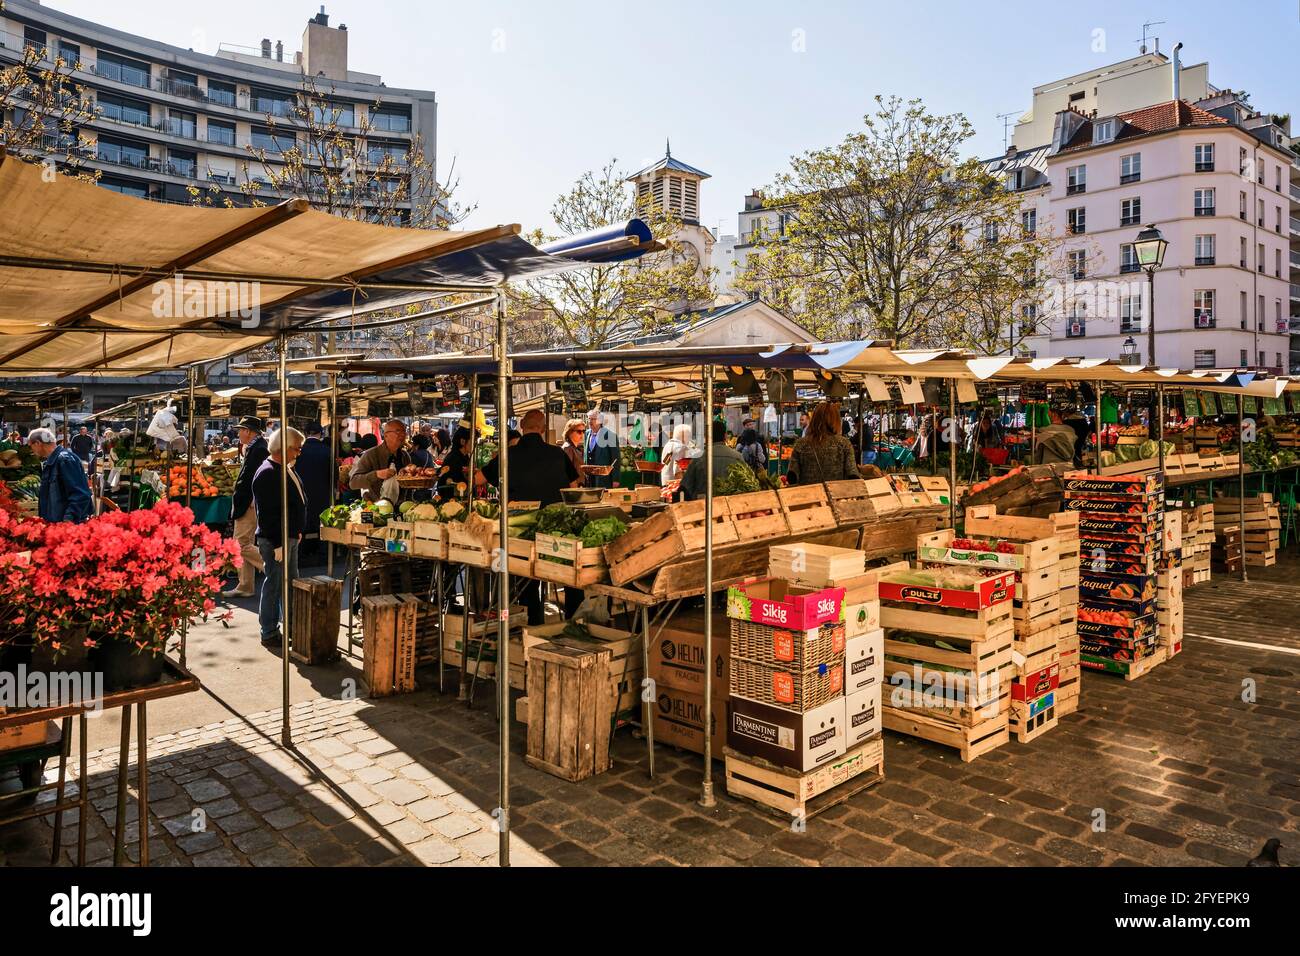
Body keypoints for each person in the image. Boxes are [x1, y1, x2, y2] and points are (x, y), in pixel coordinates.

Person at [482, 409, 582, 624]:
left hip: (521, 533)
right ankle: (576, 622)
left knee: (526, 581)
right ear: (543, 429)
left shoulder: (508, 456)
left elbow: (478, 479)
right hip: (557, 530)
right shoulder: (558, 453)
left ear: (521, 427)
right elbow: (573, 489)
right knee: (571, 576)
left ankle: (533, 624)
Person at [252, 427, 307, 649]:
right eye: (296, 448)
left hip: (288, 537)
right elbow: (267, 514)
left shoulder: (283, 468)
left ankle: (292, 627)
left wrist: (296, 530)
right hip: (277, 539)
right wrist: (278, 543)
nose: (298, 453)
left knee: (290, 584)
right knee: (274, 586)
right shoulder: (267, 472)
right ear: (283, 448)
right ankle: (269, 631)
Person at [223, 416, 268, 598]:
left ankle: (273, 567)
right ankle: (245, 585)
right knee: (244, 543)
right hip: (247, 501)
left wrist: (253, 499)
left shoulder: (259, 449)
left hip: (249, 503)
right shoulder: (255, 447)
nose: (238, 433)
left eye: (241, 430)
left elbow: (260, 477)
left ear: (248, 431)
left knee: (240, 544)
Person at [29, 428, 93, 523]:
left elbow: (80, 493)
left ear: (38, 443)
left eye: (30, 446)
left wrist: (68, 519)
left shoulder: (64, 460)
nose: (31, 450)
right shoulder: (52, 462)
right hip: (55, 524)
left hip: (65, 527)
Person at [787, 403, 858, 484]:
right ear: (836, 420)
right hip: (836, 494)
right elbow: (853, 475)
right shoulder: (844, 444)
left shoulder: (801, 444)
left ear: (814, 419)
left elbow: (791, 477)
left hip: (808, 494)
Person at [678, 420, 745, 501]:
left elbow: (685, 487)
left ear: (707, 436)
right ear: (725, 436)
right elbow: (745, 485)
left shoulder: (698, 458)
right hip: (731, 506)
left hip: (703, 506)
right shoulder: (738, 457)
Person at [348, 419, 412, 501]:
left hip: (401, 508)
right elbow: (353, 483)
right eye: (398, 431)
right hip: (375, 507)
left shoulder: (405, 456)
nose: (403, 435)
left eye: (404, 431)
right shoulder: (370, 455)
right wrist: (376, 474)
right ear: (385, 435)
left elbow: (409, 486)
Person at [295, 421, 332, 560]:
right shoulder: (327, 450)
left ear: (305, 433)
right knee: (323, 521)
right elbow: (333, 473)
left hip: (302, 491)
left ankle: (302, 552)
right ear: (320, 433)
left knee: (303, 521)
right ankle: (323, 553)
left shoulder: (299, 451)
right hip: (323, 491)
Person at [584, 409, 620, 489]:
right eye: (589, 419)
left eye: (593, 419)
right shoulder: (586, 434)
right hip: (589, 478)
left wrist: (615, 479)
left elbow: (616, 459)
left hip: (604, 479)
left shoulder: (610, 436)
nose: (590, 421)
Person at [437, 427, 474, 499]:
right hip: (452, 500)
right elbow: (444, 482)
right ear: (463, 441)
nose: (474, 444)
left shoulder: (466, 456)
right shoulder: (452, 458)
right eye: (472, 441)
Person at [560, 419, 586, 486]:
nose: (582, 434)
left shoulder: (575, 448)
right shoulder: (567, 448)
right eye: (579, 431)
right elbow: (566, 471)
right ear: (569, 432)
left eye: (583, 431)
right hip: (572, 489)